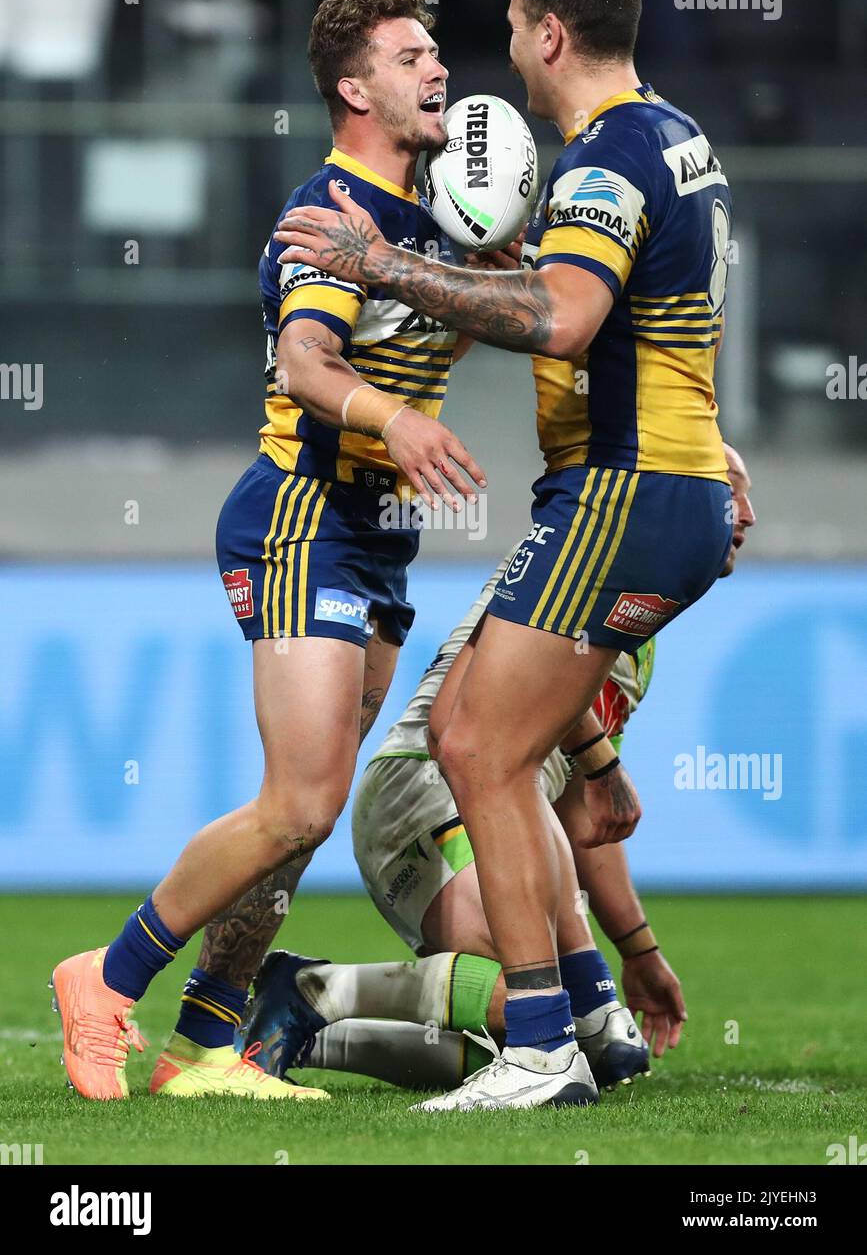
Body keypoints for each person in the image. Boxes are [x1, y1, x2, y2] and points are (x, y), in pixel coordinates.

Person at [273, 0, 736, 1110]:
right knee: (496, 738)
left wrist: (383, 264)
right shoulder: (674, 139)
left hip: (619, 491)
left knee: (475, 744)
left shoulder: (607, 158)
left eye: (515, 29)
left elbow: (568, 319)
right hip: (665, 481)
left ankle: (537, 1044)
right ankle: (573, 1015)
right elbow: (652, 319)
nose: (503, 59)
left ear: (550, 35)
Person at [51, 0, 485, 1102]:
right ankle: (106, 974)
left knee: (309, 810)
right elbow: (307, 364)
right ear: (353, 87)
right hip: (304, 516)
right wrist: (396, 420)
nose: (436, 67)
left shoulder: (425, 215)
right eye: (408, 56)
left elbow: (429, 334)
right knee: (295, 800)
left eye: (436, 49)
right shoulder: (329, 216)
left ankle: (210, 1043)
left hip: (376, 538)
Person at [238, 441, 755, 1098]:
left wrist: (638, 952)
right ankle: (313, 990)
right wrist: (601, 762)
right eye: (729, 489)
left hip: (492, 803)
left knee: (601, 1053)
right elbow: (461, 720)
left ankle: (308, 1034)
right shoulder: (581, 564)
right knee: (542, 1008)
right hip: (427, 789)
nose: (746, 513)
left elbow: (578, 817)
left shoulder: (636, 614)